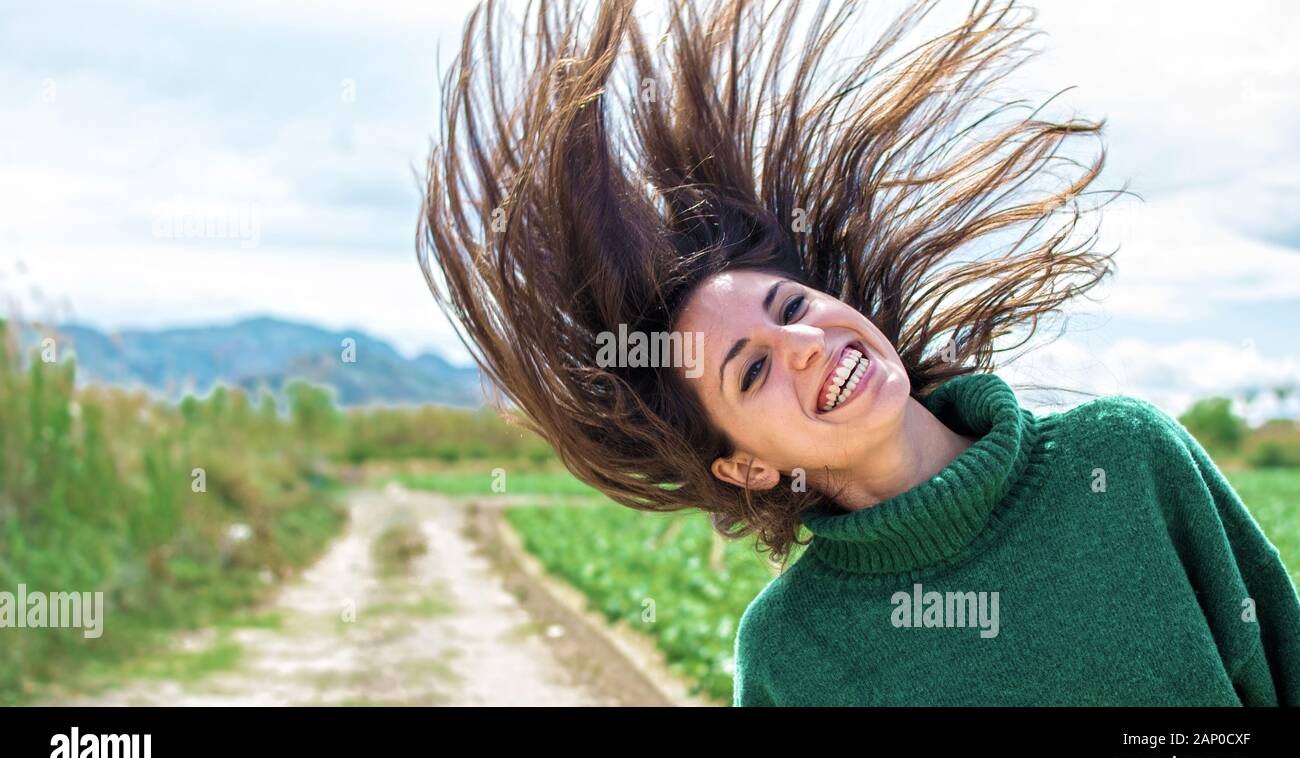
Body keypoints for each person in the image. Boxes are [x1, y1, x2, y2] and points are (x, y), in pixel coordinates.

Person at [418, 0, 1300, 706]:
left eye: (793, 304)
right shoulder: (790, 656)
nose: (805, 344)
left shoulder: (1126, 459)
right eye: (753, 370)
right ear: (748, 467)